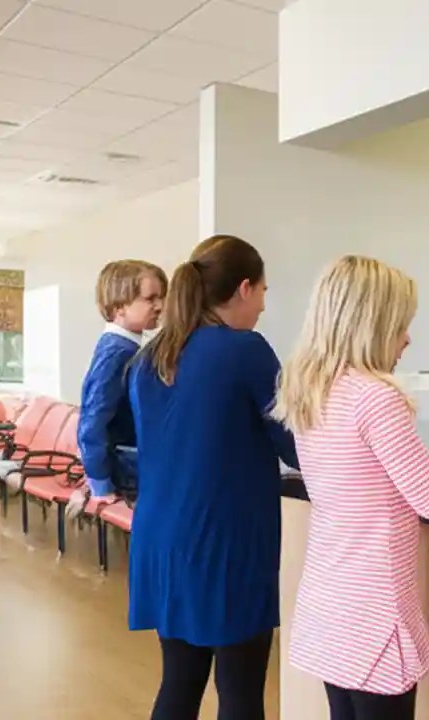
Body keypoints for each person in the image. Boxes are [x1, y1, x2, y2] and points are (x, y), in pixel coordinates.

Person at [272, 255, 429, 720]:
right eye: (400, 325)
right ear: (370, 324)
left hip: (331, 601)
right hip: (373, 613)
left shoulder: (311, 392)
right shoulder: (375, 397)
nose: (408, 338)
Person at [127, 235, 299, 720]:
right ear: (244, 288)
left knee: (179, 683)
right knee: (241, 692)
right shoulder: (245, 350)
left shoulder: (151, 357)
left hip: (161, 539)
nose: (264, 305)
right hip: (223, 545)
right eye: (264, 291)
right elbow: (294, 443)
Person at [65, 260, 167, 519]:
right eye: (150, 298)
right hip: (126, 473)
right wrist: (99, 481)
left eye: (162, 297)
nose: (160, 306)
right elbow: (93, 420)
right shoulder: (117, 353)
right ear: (119, 306)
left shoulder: (125, 348)